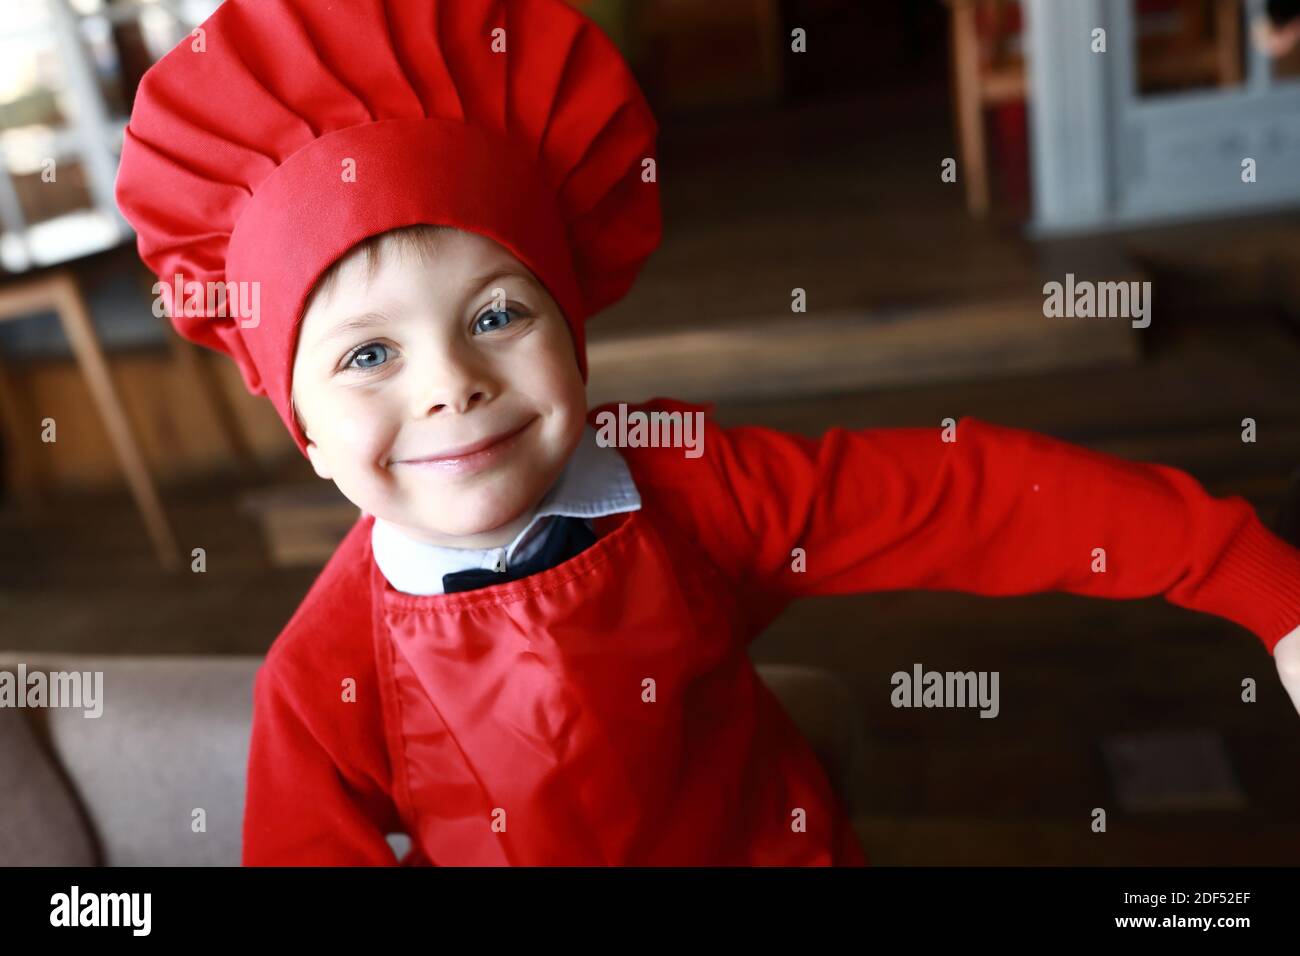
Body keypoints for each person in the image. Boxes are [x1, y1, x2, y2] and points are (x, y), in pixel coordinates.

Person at [115, 0, 1300, 866]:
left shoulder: (691, 481)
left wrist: (1255, 579)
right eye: (367, 354)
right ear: (304, 430)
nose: (450, 386)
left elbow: (964, 493)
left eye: (496, 313)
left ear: (574, 338)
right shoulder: (317, 681)